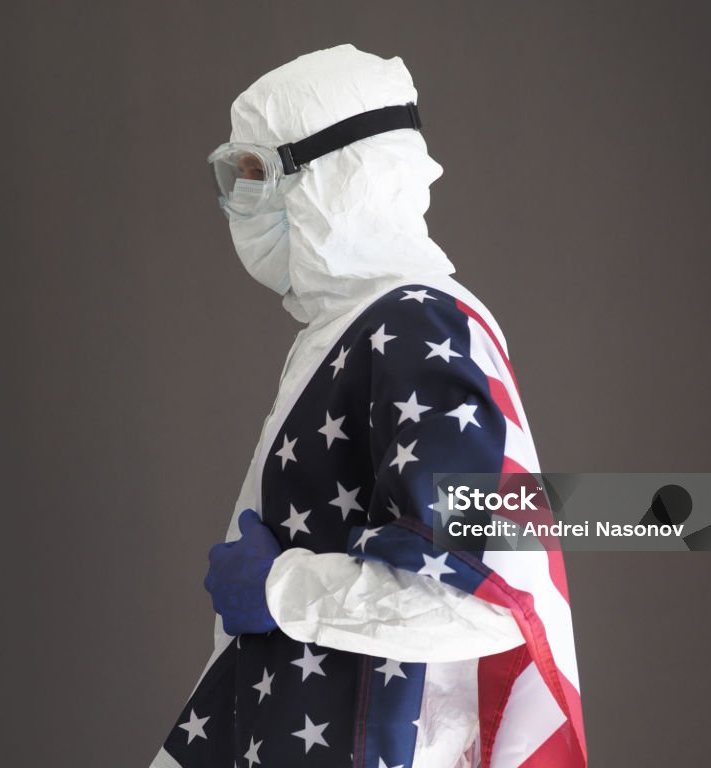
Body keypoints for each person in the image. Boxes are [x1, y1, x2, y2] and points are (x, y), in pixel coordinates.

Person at [151, 44, 586, 768]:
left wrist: (280, 589)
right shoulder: (350, 330)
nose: (238, 203)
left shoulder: (416, 324)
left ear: (333, 179)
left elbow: (485, 592)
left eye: (257, 175)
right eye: (235, 177)